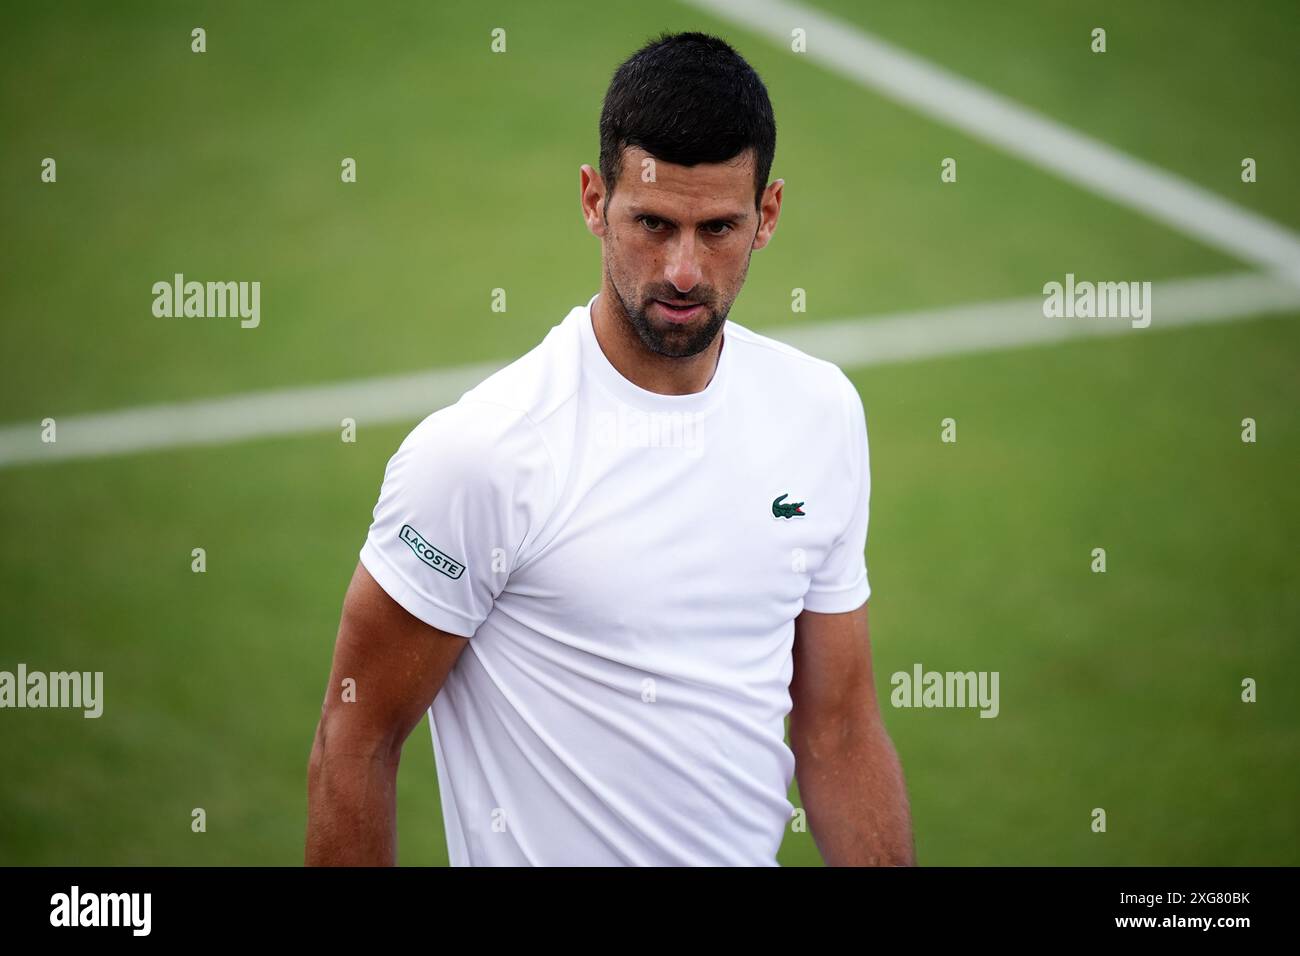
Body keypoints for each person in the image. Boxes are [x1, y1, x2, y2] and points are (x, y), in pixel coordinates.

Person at [306, 30, 914, 867]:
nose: (684, 271)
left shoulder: (821, 413)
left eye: (719, 228)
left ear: (768, 215)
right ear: (594, 201)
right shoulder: (480, 457)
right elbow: (356, 741)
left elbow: (840, 731)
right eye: (653, 224)